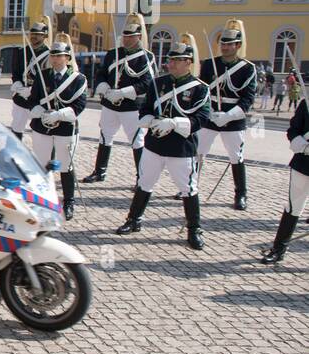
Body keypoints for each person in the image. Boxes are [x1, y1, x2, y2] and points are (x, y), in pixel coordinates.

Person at [116, 34, 210, 250]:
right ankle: (134, 219)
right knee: (144, 183)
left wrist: (176, 123)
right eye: (170, 59)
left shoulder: (199, 88)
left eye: (177, 60)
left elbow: (202, 118)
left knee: (188, 188)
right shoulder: (158, 84)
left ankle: (194, 228)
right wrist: (149, 121)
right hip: (155, 145)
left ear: (188, 62)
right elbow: (146, 108)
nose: (171, 64)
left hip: (181, 148)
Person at [22, 32, 87, 219]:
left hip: (65, 128)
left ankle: (69, 202)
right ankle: (42, 199)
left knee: (66, 166)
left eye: (59, 56)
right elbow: (33, 100)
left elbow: (80, 105)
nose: (56, 59)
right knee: (42, 164)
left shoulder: (78, 79)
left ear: (67, 58)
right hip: (42, 127)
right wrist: (38, 111)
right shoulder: (43, 76)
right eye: (53, 55)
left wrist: (59, 114)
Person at [84, 13, 154, 183]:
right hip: (109, 104)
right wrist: (104, 88)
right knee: (105, 136)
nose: (126, 39)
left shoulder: (146, 57)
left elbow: (146, 83)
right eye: (125, 36)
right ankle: (100, 171)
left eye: (130, 37)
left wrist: (123, 92)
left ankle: (141, 177)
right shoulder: (112, 54)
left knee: (137, 140)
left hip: (131, 106)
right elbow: (101, 74)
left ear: (139, 37)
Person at [197, 19, 258, 210]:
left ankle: (241, 194)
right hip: (211, 116)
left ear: (238, 45)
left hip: (233, 118)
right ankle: (190, 186)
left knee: (235, 157)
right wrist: (209, 111)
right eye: (223, 43)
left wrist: (229, 116)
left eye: (229, 44)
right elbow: (202, 91)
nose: (225, 47)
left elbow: (247, 99)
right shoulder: (208, 64)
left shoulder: (248, 68)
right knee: (198, 152)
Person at [262, 97, 308, 263]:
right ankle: (279, 248)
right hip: (304, 163)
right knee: (294, 206)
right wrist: (304, 145)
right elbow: (293, 130)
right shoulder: (307, 103)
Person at [10, 21, 51, 137]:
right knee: (17, 126)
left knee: (42, 131)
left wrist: (33, 89)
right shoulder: (21, 52)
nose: (34, 36)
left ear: (45, 36)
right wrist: (17, 84)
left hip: (39, 98)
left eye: (38, 34)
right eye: (32, 33)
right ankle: (16, 154)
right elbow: (16, 72)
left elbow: (48, 78)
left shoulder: (49, 55)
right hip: (21, 97)